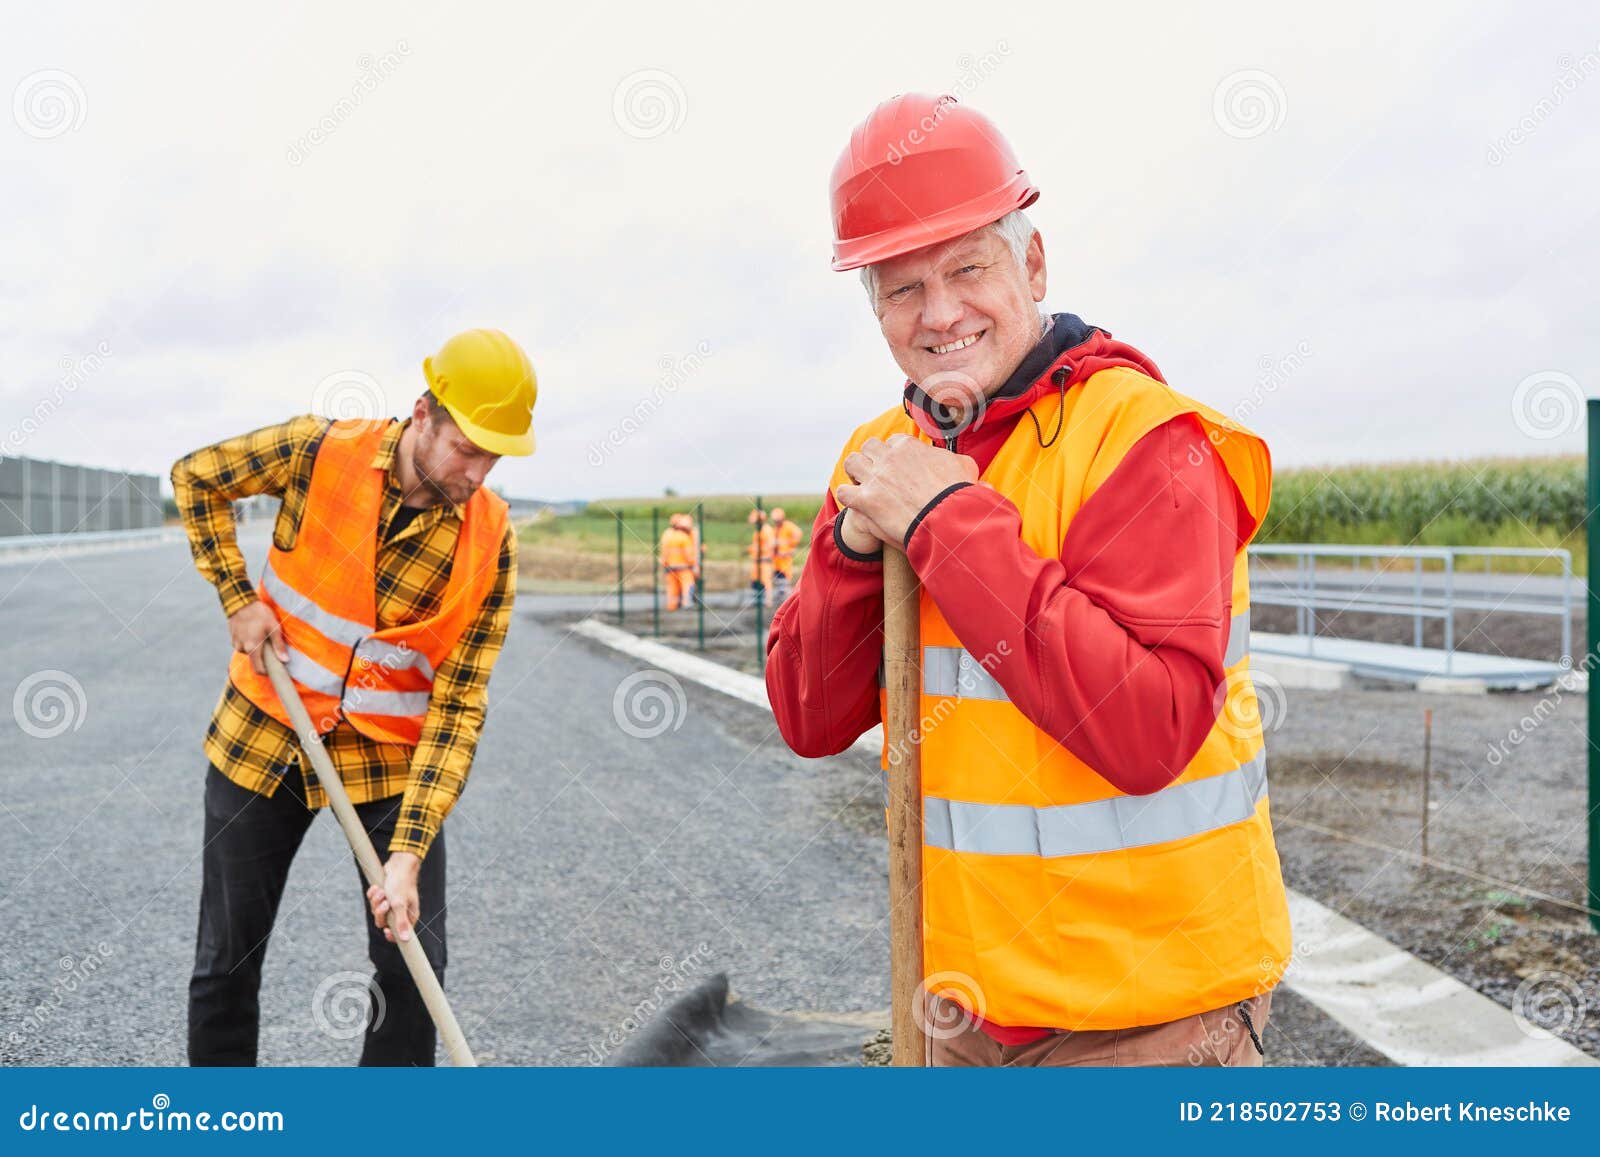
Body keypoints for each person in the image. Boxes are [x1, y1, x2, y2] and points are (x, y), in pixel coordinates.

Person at [765, 94, 1290, 1067]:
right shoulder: (878, 453)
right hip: (959, 1013)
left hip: (1149, 1026)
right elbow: (809, 715)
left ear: (1032, 263)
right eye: (900, 286)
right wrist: (851, 542)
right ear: (872, 304)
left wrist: (942, 524)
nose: (939, 313)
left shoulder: (1146, 441)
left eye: (967, 266)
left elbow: (1147, 730)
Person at [172, 328, 536, 1066]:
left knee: (413, 966)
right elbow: (195, 475)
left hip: (386, 766)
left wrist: (407, 851)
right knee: (227, 963)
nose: (477, 471)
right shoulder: (318, 451)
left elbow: (459, 703)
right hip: (266, 733)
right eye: (467, 447)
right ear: (423, 414)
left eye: (494, 455)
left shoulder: (490, 540)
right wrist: (238, 596)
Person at [660, 512, 698, 611]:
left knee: (672, 588)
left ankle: (672, 606)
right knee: (688, 584)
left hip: (670, 566)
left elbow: (663, 551)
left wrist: (664, 563)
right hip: (683, 567)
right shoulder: (684, 537)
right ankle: (687, 604)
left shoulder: (667, 535)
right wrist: (694, 565)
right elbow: (689, 554)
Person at [769, 506, 803, 605]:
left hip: (784, 559)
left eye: (777, 520)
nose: (776, 522)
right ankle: (781, 596)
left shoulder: (788, 526)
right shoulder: (776, 529)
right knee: (778, 578)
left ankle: (786, 600)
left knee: (784, 578)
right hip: (777, 559)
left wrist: (791, 546)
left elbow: (798, 533)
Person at [746, 507, 775, 600]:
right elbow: (756, 545)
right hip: (757, 561)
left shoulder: (767, 530)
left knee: (766, 581)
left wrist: (765, 556)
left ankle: (768, 601)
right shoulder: (757, 532)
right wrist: (749, 550)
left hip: (764, 561)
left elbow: (770, 546)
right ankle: (758, 601)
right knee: (755, 581)